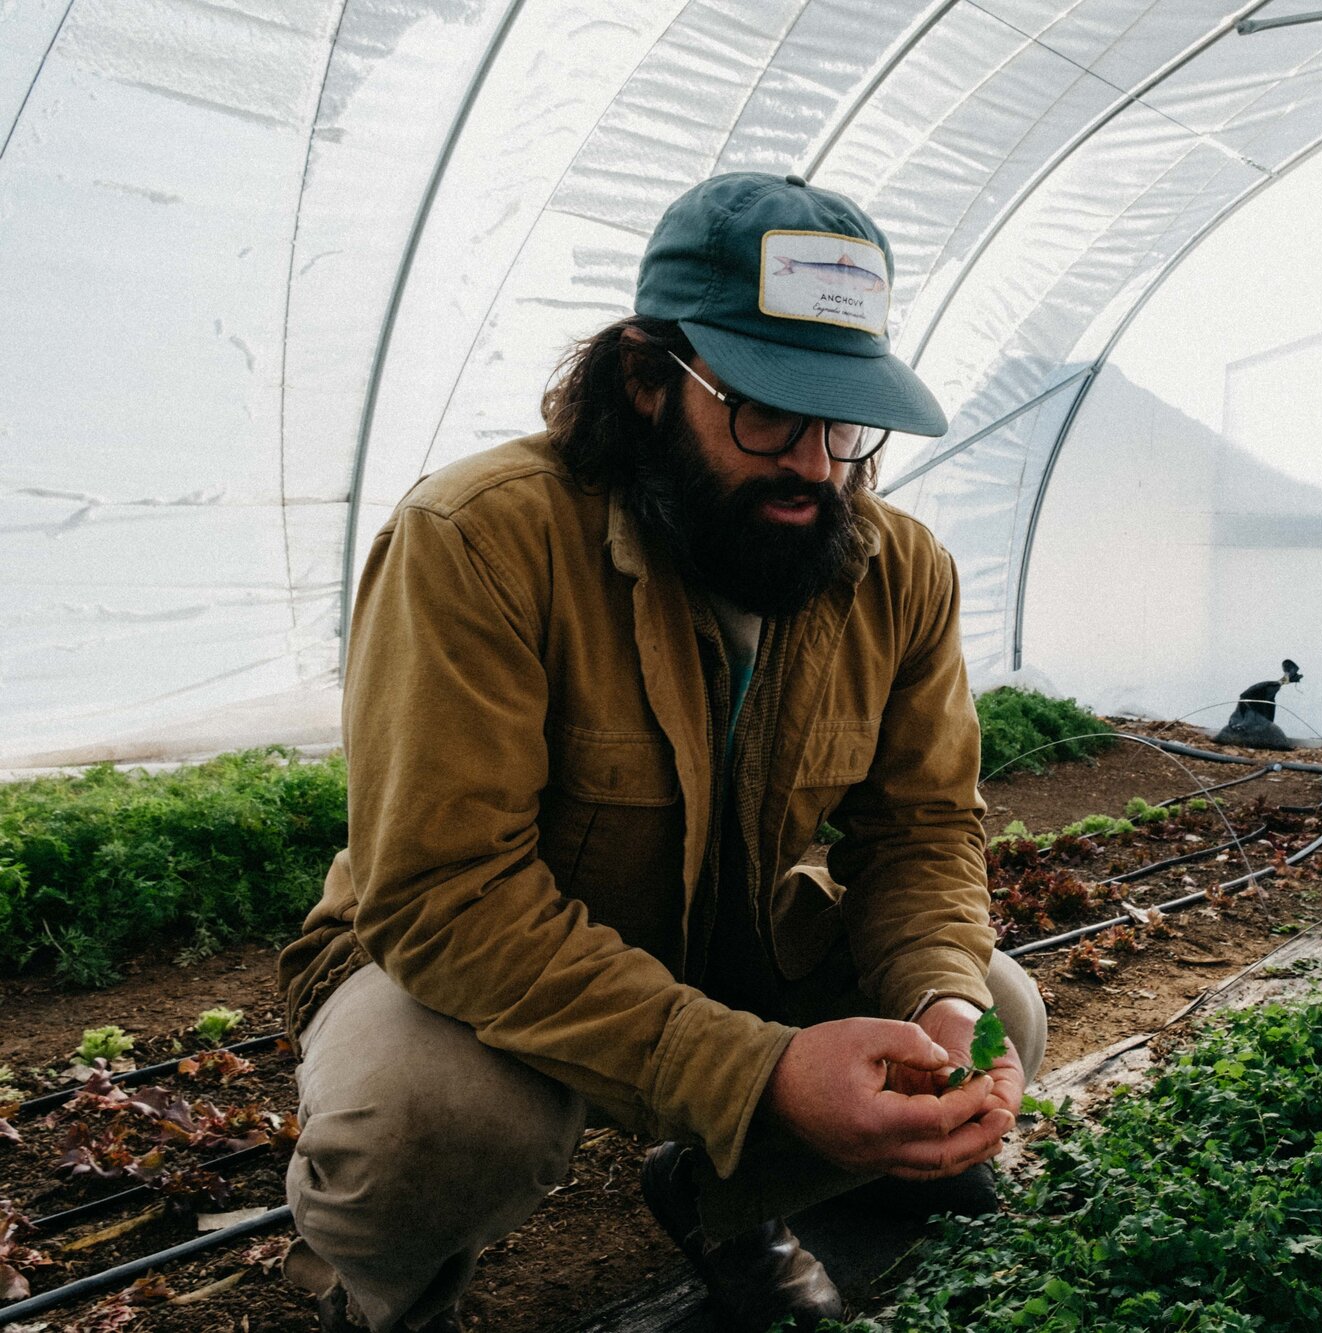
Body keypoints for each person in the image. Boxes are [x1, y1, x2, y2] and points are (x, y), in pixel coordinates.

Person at [275, 171, 1046, 1333]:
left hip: (732, 941)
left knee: (997, 1010)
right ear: (645, 380)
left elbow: (923, 828)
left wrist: (934, 988)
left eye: (842, 421)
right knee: (429, 1121)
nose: (813, 466)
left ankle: (724, 1195)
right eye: (765, 412)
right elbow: (446, 895)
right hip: (467, 962)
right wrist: (760, 1073)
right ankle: (380, 1301)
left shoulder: (897, 569)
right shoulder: (477, 540)